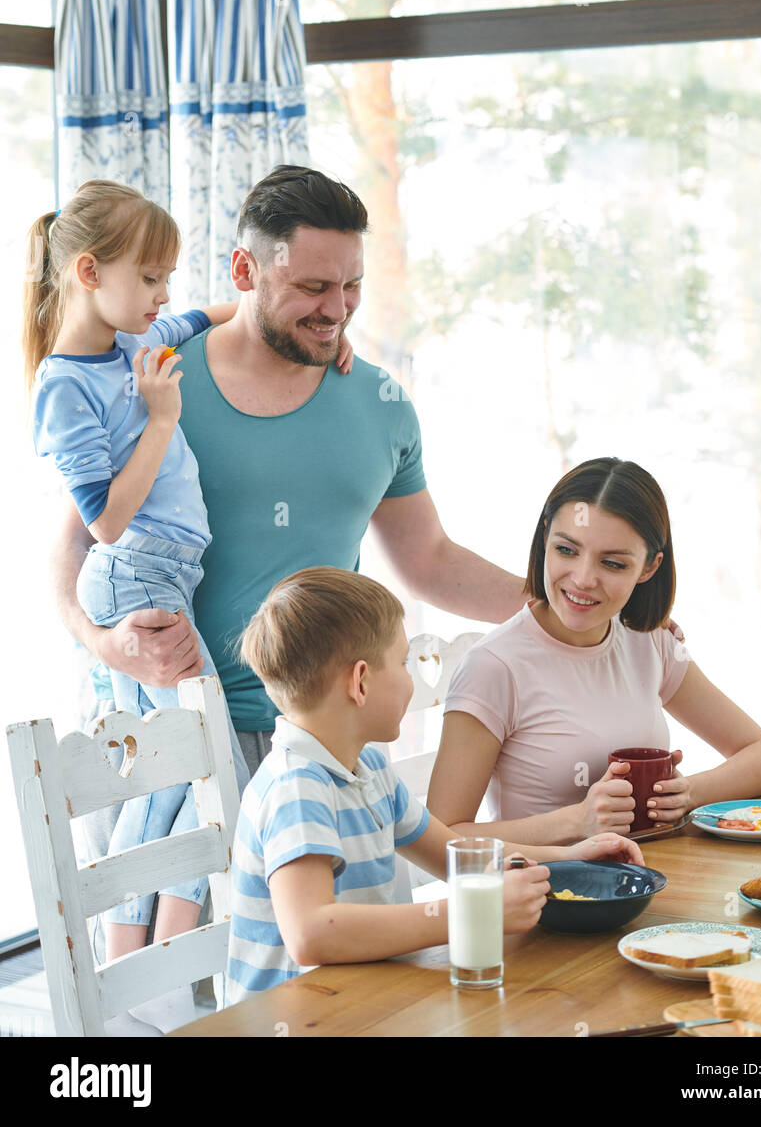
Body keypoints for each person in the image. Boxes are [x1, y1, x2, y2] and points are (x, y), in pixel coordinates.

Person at [49, 165, 547, 790]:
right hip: (168, 742)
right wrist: (101, 642)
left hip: (335, 742)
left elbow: (427, 560)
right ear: (244, 272)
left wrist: (564, 606)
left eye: (351, 286)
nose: (337, 310)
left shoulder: (381, 401)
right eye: (313, 286)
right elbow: (78, 540)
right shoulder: (155, 378)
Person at [24, 180, 355, 987]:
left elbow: (209, 315)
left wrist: (326, 330)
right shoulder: (68, 385)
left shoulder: (133, 343)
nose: (163, 297)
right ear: (90, 274)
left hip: (165, 571)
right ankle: (138, 963)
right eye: (150, 278)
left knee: (181, 773)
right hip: (138, 573)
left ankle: (152, 963)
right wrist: (162, 417)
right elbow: (101, 522)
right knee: (202, 768)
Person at [226, 566, 643, 1002]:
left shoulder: (367, 768)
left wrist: (570, 858)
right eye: (404, 662)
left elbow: (457, 859)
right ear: (361, 681)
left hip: (358, 1002)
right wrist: (475, 912)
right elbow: (311, 934)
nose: (411, 678)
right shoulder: (296, 788)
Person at [426, 457, 761, 844]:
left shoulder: (650, 641)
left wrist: (688, 794)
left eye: (613, 563)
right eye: (566, 550)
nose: (583, 579)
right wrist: (577, 822)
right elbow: (442, 840)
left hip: (652, 880)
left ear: (649, 568)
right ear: (544, 538)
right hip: (544, 896)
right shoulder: (493, 667)